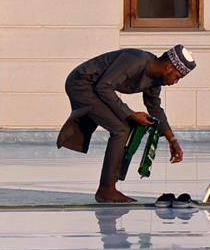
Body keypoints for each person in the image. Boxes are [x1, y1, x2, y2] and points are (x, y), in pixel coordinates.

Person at [57, 44, 195, 204]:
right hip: (81, 84)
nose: (176, 82)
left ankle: (110, 186)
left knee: (126, 127)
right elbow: (104, 86)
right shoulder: (136, 60)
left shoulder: (155, 80)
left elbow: (154, 108)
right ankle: (106, 189)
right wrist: (130, 114)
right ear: (169, 67)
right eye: (177, 77)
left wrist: (172, 140)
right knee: (121, 129)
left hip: (96, 87)